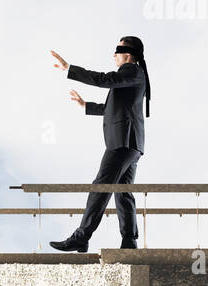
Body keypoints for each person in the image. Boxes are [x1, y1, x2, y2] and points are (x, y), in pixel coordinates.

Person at [46, 36, 151, 251]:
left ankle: (81, 237)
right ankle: (129, 242)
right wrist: (86, 105)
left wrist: (69, 69)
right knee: (123, 192)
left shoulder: (130, 70)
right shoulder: (133, 77)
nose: (113, 55)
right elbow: (112, 108)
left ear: (128, 54)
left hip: (122, 141)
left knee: (100, 187)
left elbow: (105, 79)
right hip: (132, 143)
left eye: (117, 51)